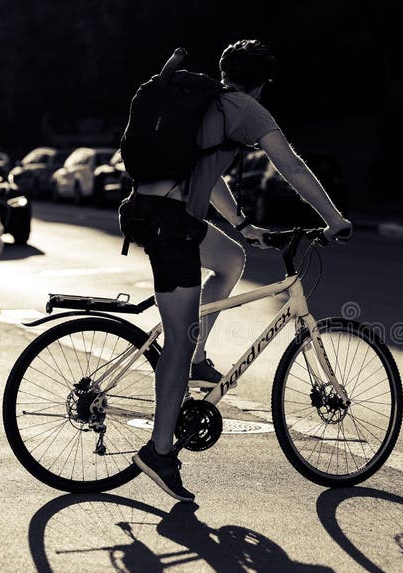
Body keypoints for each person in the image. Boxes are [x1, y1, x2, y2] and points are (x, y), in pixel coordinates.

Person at [132, 39, 351, 501]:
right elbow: (291, 166)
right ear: (262, 84)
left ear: (225, 70)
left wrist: (241, 224)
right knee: (177, 339)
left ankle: (195, 358)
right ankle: (158, 451)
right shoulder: (246, 110)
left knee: (231, 258)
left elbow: (205, 177)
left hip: (158, 212)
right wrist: (334, 220)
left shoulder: (206, 105)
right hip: (170, 225)